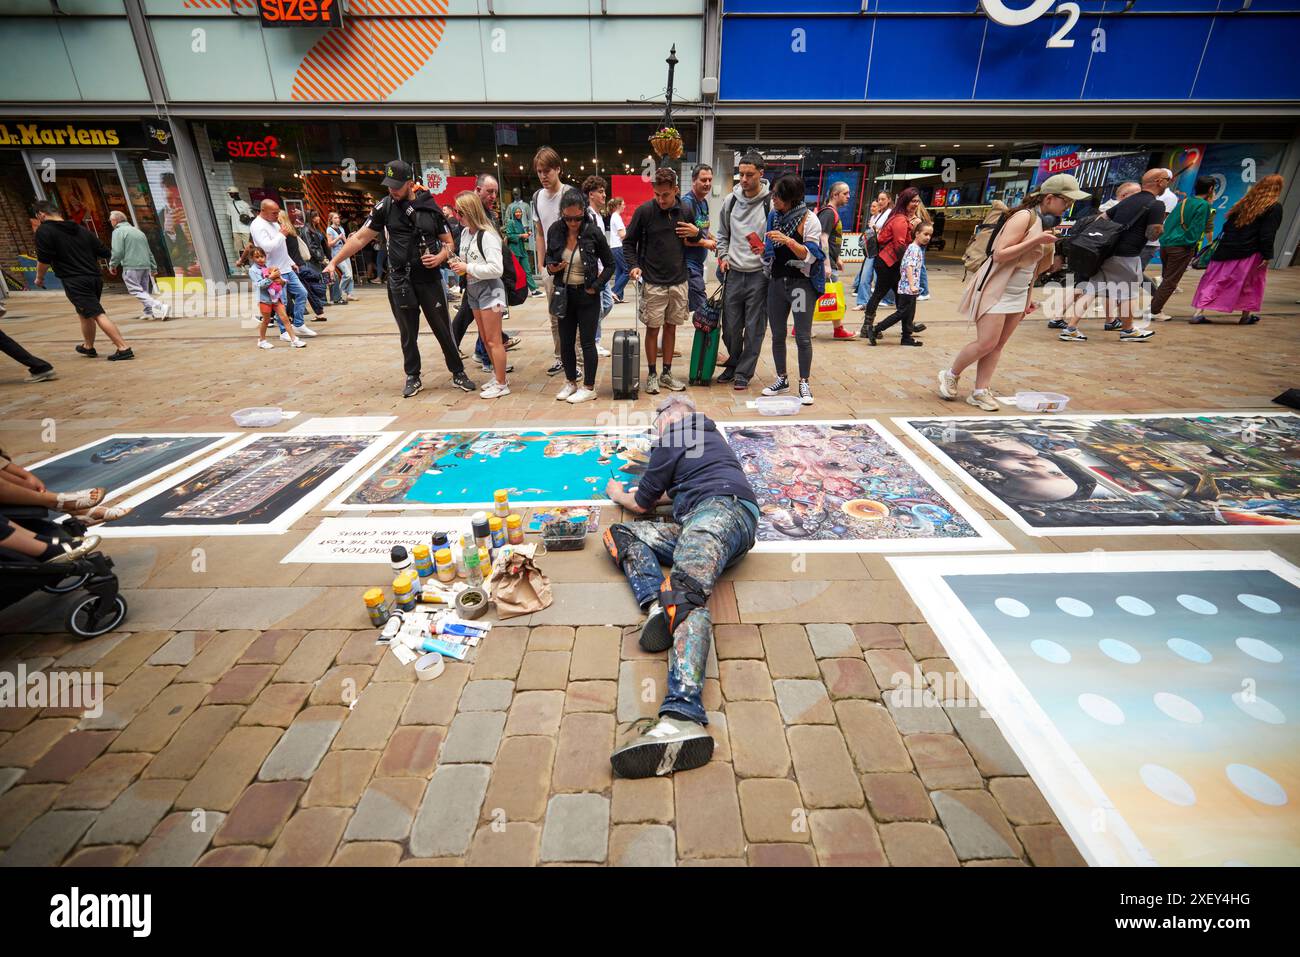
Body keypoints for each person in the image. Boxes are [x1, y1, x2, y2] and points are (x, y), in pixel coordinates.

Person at [602, 395, 759, 778]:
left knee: (687, 594)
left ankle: (683, 715)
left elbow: (641, 502)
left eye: (654, 424)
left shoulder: (673, 435)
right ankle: (657, 605)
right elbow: (677, 491)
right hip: (720, 521)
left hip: (716, 516)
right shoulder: (708, 434)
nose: (652, 432)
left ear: (669, 416)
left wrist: (614, 492)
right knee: (620, 534)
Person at [324, 160, 475, 398]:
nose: (392, 190)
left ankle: (458, 371)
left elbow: (448, 242)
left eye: (397, 185)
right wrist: (334, 262)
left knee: (443, 328)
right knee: (407, 332)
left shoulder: (428, 206)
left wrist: (440, 257)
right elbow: (361, 238)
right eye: (389, 185)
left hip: (429, 279)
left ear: (409, 183)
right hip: (400, 280)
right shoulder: (384, 207)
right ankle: (413, 376)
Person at [938, 173, 1084, 410]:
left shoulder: (1043, 222)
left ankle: (980, 390)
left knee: (997, 345)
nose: (1067, 207)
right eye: (1065, 201)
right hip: (996, 288)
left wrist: (1029, 298)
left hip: (1019, 292)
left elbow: (1034, 270)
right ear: (1049, 198)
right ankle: (951, 374)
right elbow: (1000, 254)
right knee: (986, 342)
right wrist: (1036, 242)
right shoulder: (1024, 217)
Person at [623, 167, 696, 394]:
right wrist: (634, 266)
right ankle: (652, 374)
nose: (660, 199)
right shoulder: (644, 212)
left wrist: (697, 234)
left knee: (671, 328)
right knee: (653, 329)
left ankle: (667, 373)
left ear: (675, 189)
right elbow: (628, 243)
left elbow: (695, 242)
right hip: (653, 281)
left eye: (665, 194)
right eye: (656, 194)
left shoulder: (685, 209)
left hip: (678, 280)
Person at [33, 201, 134, 361]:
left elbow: (43, 259)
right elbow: (103, 251)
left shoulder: (44, 231)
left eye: (37, 216)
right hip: (94, 277)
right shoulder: (80, 229)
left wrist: (39, 277)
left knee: (96, 313)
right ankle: (88, 346)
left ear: (41, 215)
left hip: (75, 280)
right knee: (84, 312)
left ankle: (123, 347)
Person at [760, 173, 824, 405]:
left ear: (791, 197)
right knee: (777, 333)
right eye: (774, 194)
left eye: (778, 195)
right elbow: (769, 250)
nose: (773, 199)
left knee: (803, 336)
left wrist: (788, 241)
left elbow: (811, 256)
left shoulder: (809, 220)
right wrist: (761, 248)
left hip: (799, 286)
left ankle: (804, 382)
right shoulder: (773, 216)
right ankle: (782, 378)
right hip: (777, 283)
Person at [546, 189, 614, 403]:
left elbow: (611, 264)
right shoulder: (556, 230)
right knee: (565, 342)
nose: (572, 222)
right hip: (564, 294)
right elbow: (548, 259)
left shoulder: (593, 232)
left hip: (587, 295)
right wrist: (553, 267)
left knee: (587, 342)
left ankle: (589, 386)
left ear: (583, 212)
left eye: (576, 218)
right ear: (562, 214)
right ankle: (570, 382)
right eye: (568, 218)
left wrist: (596, 286)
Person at [1190, 173, 1284, 326]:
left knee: (1214, 281)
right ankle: (1245, 316)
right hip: (1250, 252)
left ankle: (1198, 312)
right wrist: (1267, 255)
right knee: (1250, 283)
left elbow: (1227, 227)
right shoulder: (1274, 207)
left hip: (1225, 249)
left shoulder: (1243, 203)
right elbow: (1267, 234)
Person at [715, 153, 772, 391]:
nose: (744, 179)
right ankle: (735, 360)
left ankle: (743, 372)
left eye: (750, 174)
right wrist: (723, 256)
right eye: (742, 174)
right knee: (730, 327)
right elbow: (722, 234)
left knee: (754, 327)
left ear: (761, 173)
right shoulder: (731, 201)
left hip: (759, 275)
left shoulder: (770, 203)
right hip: (734, 273)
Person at [452, 173, 519, 372]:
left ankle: (499, 379)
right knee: (487, 337)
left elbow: (495, 267)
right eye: (490, 191)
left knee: (493, 339)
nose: (493, 196)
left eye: (459, 213)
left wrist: (467, 268)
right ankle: (492, 370)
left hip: (491, 289)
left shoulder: (487, 231)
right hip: (474, 288)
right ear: (478, 189)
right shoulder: (465, 232)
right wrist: (456, 263)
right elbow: (463, 253)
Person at [250, 200, 316, 341]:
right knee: (281, 302)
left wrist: (291, 262)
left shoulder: (273, 222)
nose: (277, 215)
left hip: (286, 267)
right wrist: (282, 235)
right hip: (274, 271)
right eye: (274, 213)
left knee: (302, 293)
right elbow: (266, 248)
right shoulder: (257, 226)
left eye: (277, 212)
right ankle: (284, 331)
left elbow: (280, 247)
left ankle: (298, 323)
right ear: (263, 211)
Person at [1150, 176, 1215, 319]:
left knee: (1167, 278)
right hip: (1182, 247)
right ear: (1210, 189)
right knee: (1170, 281)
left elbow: (1169, 222)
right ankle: (1155, 310)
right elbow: (1196, 230)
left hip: (1167, 244)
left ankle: (1154, 307)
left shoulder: (1185, 201)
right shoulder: (1203, 205)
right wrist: (1190, 245)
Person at [858, 188, 917, 342]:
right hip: (889, 263)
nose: (916, 204)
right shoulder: (900, 220)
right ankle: (871, 328)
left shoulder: (896, 216)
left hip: (887, 262)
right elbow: (899, 245)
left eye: (917, 201)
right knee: (889, 294)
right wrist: (906, 267)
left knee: (899, 295)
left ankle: (907, 327)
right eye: (913, 201)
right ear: (905, 201)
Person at [531, 147, 569, 375]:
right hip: (550, 268)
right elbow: (539, 233)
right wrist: (541, 266)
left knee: (571, 314)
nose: (543, 176)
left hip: (571, 266)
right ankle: (560, 357)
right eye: (539, 172)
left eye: (547, 171)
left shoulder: (569, 195)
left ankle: (577, 359)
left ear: (558, 169)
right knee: (555, 315)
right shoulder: (537, 197)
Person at [872, 220, 932, 348]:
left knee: (909, 313)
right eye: (925, 234)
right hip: (907, 288)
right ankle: (876, 329)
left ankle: (906, 337)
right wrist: (912, 285)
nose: (928, 237)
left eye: (930, 235)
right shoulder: (914, 249)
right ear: (917, 234)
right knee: (902, 313)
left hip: (909, 288)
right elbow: (909, 267)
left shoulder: (914, 248)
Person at [239, 243, 304, 351]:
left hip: (276, 298)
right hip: (264, 299)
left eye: (262, 256)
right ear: (252, 258)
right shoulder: (253, 270)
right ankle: (262, 340)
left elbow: (280, 282)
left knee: (285, 319)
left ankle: (294, 340)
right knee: (266, 320)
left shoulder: (269, 267)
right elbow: (259, 284)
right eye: (257, 257)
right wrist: (271, 277)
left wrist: (282, 281)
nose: (260, 259)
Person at [108, 210, 167, 321]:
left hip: (131, 266)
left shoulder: (118, 232)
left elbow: (117, 251)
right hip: (145, 266)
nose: (110, 222)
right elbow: (148, 251)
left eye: (110, 220)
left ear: (115, 221)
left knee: (135, 290)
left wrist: (112, 265)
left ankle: (160, 306)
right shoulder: (138, 232)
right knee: (143, 291)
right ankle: (148, 312)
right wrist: (153, 267)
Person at [680, 164, 717, 330]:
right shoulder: (687, 204)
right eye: (703, 180)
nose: (707, 183)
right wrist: (706, 243)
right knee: (704, 310)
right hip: (688, 265)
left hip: (697, 265)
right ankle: (707, 351)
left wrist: (713, 238)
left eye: (710, 180)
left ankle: (661, 344)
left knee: (680, 308)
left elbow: (701, 229)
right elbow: (685, 240)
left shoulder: (703, 202)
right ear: (694, 181)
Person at [817, 180, 856, 340]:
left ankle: (838, 329)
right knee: (832, 296)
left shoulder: (832, 213)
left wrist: (837, 258)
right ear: (835, 195)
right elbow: (823, 238)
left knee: (826, 295)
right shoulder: (828, 213)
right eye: (845, 193)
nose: (848, 196)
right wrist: (827, 264)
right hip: (826, 264)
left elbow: (831, 238)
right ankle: (838, 329)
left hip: (830, 262)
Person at [279, 211, 329, 324]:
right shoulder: (292, 231)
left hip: (291, 266)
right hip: (299, 264)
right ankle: (320, 313)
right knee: (308, 290)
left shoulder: (283, 234)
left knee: (287, 292)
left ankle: (291, 316)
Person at [1141, 167, 1178, 307]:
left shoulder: (1169, 197)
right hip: (1140, 239)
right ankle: (1156, 299)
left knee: (1135, 273)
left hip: (1150, 241)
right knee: (1133, 273)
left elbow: (1159, 221)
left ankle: (1156, 300)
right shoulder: (1152, 196)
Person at [854, 191, 892, 309]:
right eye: (879, 199)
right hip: (872, 248)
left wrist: (874, 228)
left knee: (880, 276)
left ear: (889, 200)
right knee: (865, 275)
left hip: (882, 249)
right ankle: (862, 301)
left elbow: (886, 231)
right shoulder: (877, 215)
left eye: (883, 199)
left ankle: (889, 298)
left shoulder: (890, 213)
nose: (880, 202)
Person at [504, 205, 540, 297]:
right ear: (513, 213)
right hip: (514, 250)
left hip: (522, 250)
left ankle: (533, 290)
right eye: (516, 212)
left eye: (520, 212)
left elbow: (520, 236)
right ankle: (514, 292)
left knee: (527, 270)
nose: (518, 213)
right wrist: (521, 236)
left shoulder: (520, 223)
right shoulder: (510, 222)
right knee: (515, 272)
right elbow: (509, 236)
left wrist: (526, 235)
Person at [325, 211, 355, 304]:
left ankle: (349, 294)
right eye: (335, 218)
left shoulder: (341, 228)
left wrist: (349, 237)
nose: (338, 219)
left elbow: (346, 242)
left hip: (345, 252)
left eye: (338, 217)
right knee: (347, 274)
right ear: (331, 220)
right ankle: (339, 292)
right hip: (337, 254)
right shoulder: (329, 230)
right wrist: (338, 238)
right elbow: (329, 244)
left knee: (351, 274)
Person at [606, 197, 630, 302]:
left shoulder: (614, 217)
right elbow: (622, 235)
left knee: (620, 271)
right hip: (619, 247)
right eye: (623, 204)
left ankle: (618, 296)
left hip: (614, 247)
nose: (625, 206)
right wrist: (631, 232)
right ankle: (614, 291)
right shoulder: (617, 217)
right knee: (628, 270)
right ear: (618, 205)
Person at [228, 186, 254, 259]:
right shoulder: (229, 204)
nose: (230, 195)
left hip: (245, 229)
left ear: (236, 193)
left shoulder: (244, 204)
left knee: (248, 247)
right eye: (229, 193)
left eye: (231, 193)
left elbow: (251, 216)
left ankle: (252, 263)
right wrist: (232, 231)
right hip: (235, 230)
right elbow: (230, 218)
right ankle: (244, 265)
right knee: (239, 249)